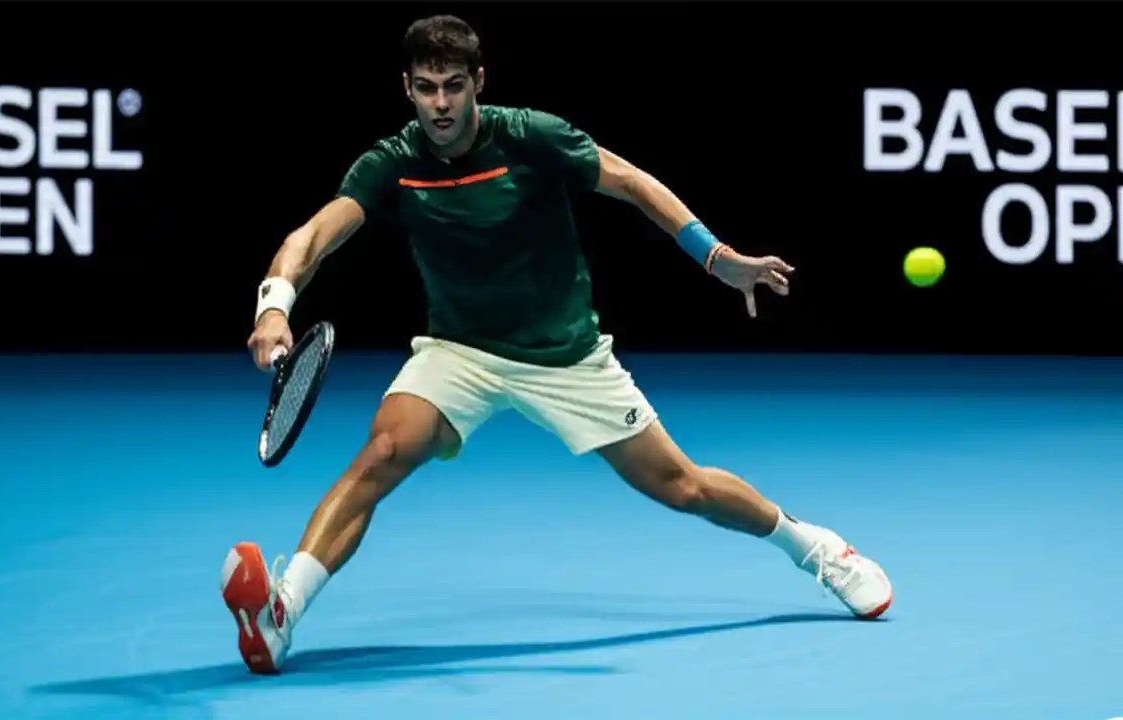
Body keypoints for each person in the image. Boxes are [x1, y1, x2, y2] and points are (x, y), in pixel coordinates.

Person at [222, 15, 892, 675]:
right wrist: (275, 305)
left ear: (478, 81)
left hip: (565, 356)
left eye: (454, 85)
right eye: (427, 87)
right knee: (384, 451)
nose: (441, 103)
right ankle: (282, 612)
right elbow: (313, 236)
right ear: (407, 88)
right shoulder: (392, 163)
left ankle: (815, 548)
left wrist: (716, 257)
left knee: (682, 486)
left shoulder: (531, 138)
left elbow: (630, 180)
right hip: (461, 352)